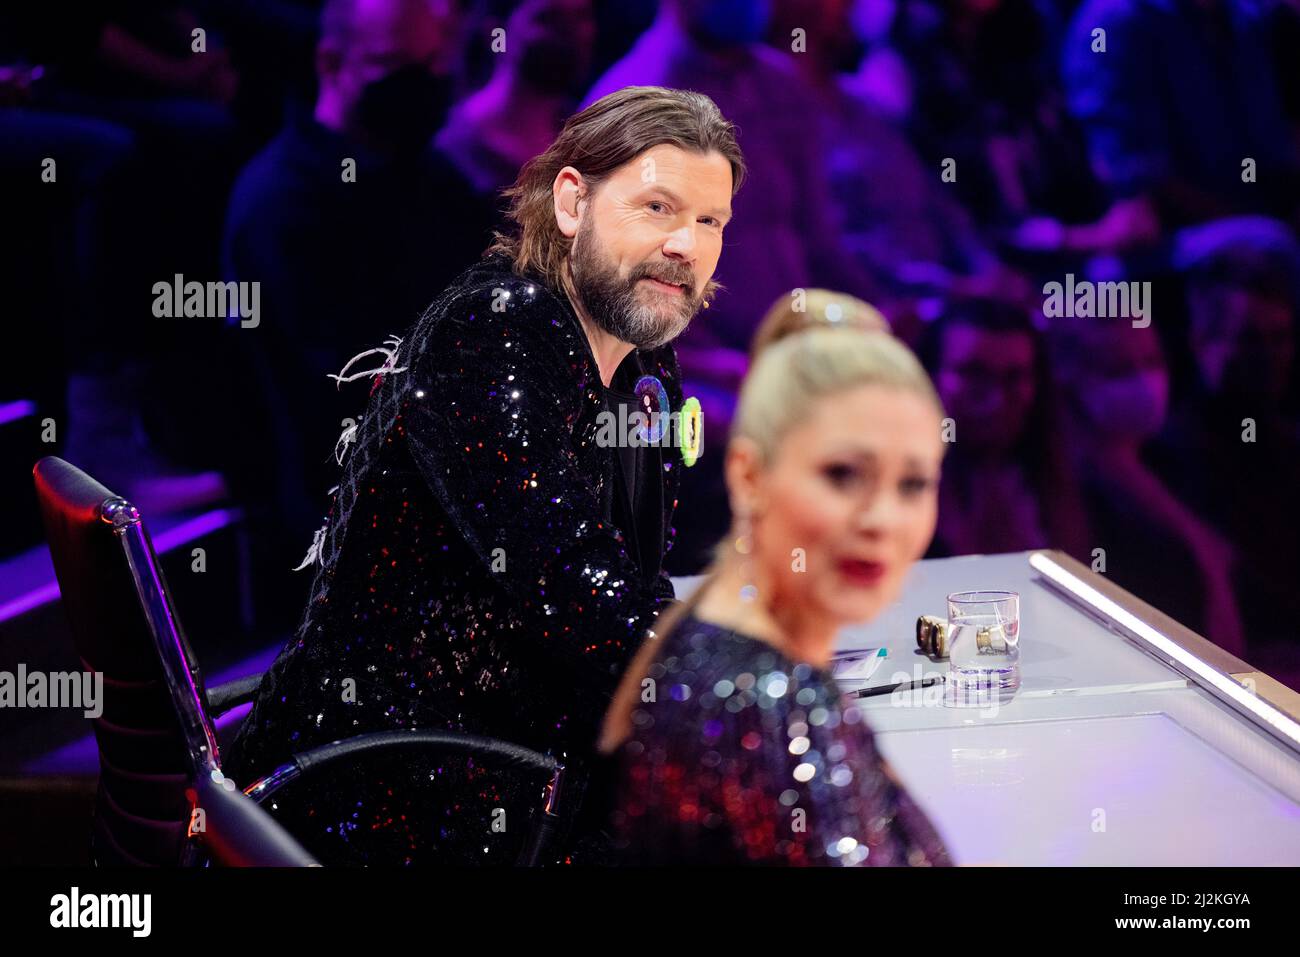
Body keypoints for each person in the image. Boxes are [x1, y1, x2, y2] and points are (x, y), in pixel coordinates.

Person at [226, 85, 746, 863]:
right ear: (572, 202)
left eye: (711, 222)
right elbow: (577, 587)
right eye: (659, 208)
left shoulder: (644, 372)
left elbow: (633, 591)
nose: (687, 246)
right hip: (396, 794)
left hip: (528, 773)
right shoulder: (499, 330)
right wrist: (754, 688)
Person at [601, 325, 953, 866]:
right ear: (749, 476)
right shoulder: (769, 704)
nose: (882, 519)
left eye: (913, 484)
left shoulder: (711, 636)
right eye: (842, 475)